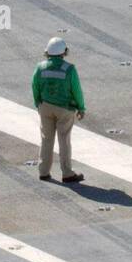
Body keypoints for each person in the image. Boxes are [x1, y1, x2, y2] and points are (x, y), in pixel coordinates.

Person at [32, 36, 85, 184]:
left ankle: (43, 172)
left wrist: (38, 103)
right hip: (64, 109)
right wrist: (81, 107)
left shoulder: (40, 67)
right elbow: (76, 90)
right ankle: (67, 173)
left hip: (45, 107)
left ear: (47, 52)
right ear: (64, 52)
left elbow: (34, 86)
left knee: (46, 139)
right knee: (64, 140)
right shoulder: (69, 69)